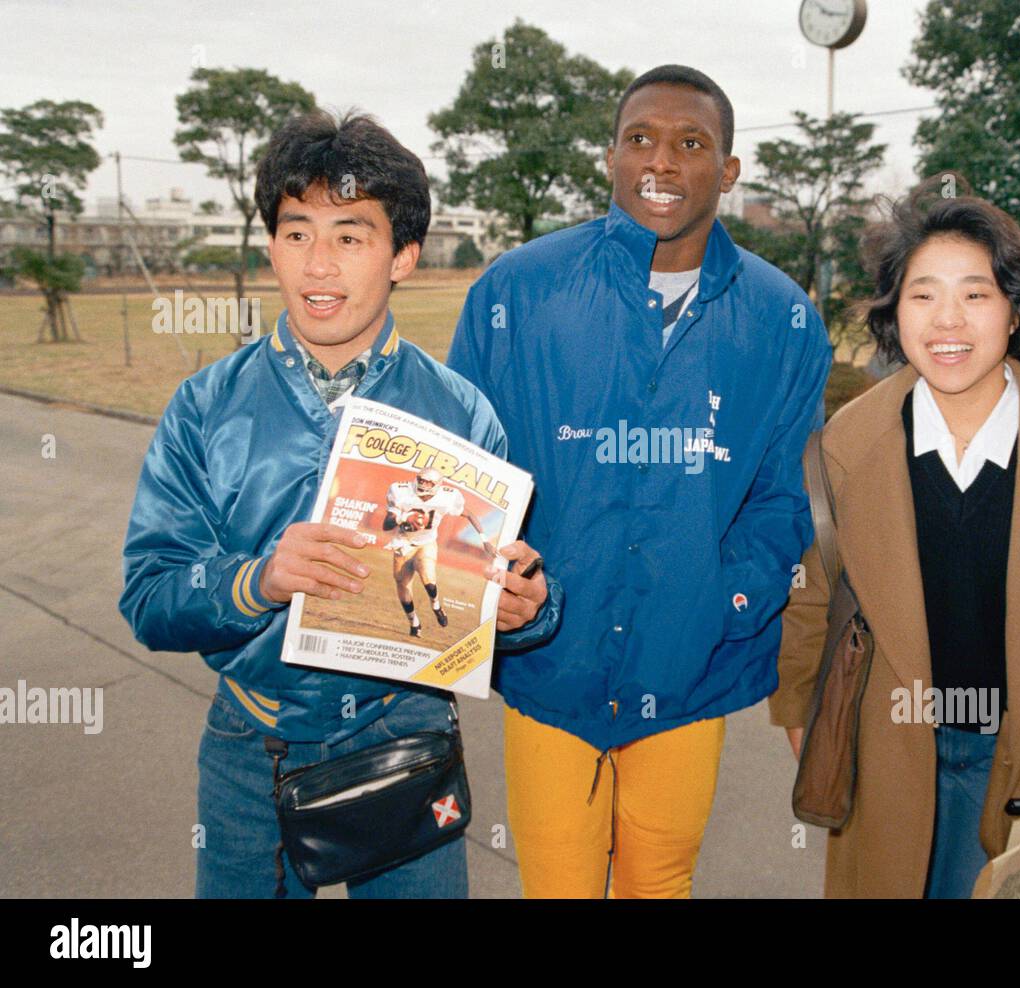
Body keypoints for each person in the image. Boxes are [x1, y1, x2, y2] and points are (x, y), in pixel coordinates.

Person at [118, 110, 561, 899]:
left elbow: (497, 587)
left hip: (405, 733)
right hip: (252, 742)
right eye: (297, 234)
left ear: (403, 257)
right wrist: (254, 582)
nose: (319, 265)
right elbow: (149, 597)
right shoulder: (205, 406)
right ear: (271, 247)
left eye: (350, 237)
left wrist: (529, 606)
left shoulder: (463, 413)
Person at [447, 64, 832, 898]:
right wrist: (499, 589)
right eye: (640, 139)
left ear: (726, 172)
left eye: (691, 143)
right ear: (612, 159)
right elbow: (461, 471)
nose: (662, 160)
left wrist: (725, 600)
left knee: (660, 880)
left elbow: (786, 497)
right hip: (550, 661)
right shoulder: (518, 290)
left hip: (690, 666)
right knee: (558, 884)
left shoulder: (783, 320)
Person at [769, 179, 1020, 898]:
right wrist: (803, 717)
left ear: (1016, 312)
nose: (947, 320)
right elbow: (812, 597)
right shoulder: (839, 448)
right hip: (884, 751)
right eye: (923, 294)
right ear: (894, 313)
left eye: (976, 294)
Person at [383, 468, 494, 636]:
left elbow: (469, 514)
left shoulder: (447, 497)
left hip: (426, 543)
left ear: (437, 485)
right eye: (421, 480)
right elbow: (387, 525)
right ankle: (414, 622)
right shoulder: (401, 492)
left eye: (428, 482)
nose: (423, 484)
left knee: (428, 579)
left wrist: (485, 540)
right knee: (403, 585)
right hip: (403, 543)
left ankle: (435, 605)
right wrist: (403, 518)